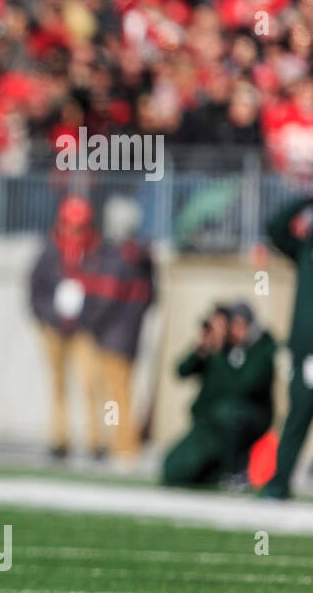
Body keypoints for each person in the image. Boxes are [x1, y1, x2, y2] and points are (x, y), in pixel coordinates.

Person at [162, 304, 274, 488]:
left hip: (245, 419)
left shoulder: (260, 349)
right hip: (209, 424)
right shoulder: (218, 352)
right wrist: (202, 349)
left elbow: (241, 386)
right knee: (173, 469)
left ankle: (233, 471)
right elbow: (182, 371)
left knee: (228, 414)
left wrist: (221, 353)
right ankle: (212, 473)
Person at [28, 196, 103, 459]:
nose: (74, 232)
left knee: (89, 384)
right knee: (58, 386)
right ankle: (60, 439)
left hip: (83, 330)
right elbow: (34, 289)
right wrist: (47, 317)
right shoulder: (49, 252)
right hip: (54, 328)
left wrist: (90, 318)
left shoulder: (94, 253)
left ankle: (95, 441)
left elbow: (101, 290)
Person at [84, 195, 156, 463]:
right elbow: (150, 298)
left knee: (115, 396)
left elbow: (106, 298)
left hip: (113, 336)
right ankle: (124, 444)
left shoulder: (121, 258)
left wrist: (92, 323)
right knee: (123, 393)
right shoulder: (142, 259)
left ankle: (122, 447)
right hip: (132, 333)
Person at [262, 195, 313, 498]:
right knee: (297, 416)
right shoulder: (305, 252)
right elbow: (276, 228)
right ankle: (279, 484)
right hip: (306, 352)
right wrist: (305, 198)